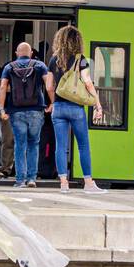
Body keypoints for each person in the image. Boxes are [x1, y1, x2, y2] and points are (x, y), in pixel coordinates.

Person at [47, 25, 107, 193]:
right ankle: (88, 183)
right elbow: (87, 82)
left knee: (60, 146)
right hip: (75, 108)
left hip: (58, 107)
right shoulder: (81, 59)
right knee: (83, 146)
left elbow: (49, 85)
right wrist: (97, 104)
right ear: (77, 41)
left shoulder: (54, 60)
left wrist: (54, 102)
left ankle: (63, 184)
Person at [0, 42, 54, 188]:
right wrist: (53, 103)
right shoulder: (40, 65)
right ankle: (31, 178)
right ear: (30, 53)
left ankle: (20, 180)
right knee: (34, 144)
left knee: (20, 144)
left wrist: (2, 109)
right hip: (36, 110)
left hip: (16, 111)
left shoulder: (9, 67)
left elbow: (3, 87)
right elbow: (49, 85)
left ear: (17, 53)